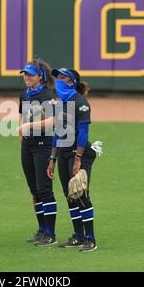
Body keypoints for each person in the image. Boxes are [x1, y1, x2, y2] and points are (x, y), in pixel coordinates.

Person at [47, 68, 98, 252]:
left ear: (71, 82)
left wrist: (78, 158)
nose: (58, 81)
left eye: (62, 78)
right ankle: (78, 236)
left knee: (81, 193)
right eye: (57, 77)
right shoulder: (61, 103)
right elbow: (58, 133)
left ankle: (91, 239)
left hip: (80, 152)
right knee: (70, 195)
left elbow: (84, 132)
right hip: (64, 152)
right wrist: (52, 158)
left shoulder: (80, 102)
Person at [17, 58, 57, 246]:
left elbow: (52, 122)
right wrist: (21, 130)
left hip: (43, 144)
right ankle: (42, 229)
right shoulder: (24, 94)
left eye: (30, 74)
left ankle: (50, 233)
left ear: (40, 76)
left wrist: (28, 125)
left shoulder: (47, 95)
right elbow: (21, 114)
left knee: (44, 189)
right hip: (28, 146)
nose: (26, 77)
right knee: (34, 189)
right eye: (25, 74)